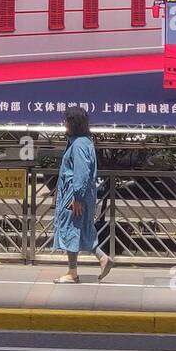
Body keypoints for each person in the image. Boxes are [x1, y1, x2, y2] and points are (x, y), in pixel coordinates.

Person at [53, 107, 112, 284]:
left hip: (74, 194)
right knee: (81, 229)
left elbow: (81, 172)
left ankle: (72, 272)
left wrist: (77, 198)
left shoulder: (78, 145)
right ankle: (102, 258)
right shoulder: (85, 142)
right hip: (81, 194)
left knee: (71, 229)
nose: (64, 124)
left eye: (67, 121)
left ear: (72, 123)